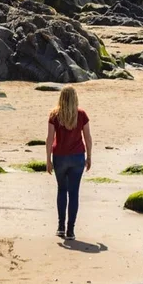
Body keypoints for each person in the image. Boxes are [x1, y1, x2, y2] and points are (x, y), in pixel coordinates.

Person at [46, 86, 92, 240]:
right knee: (73, 193)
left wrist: (48, 159)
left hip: (60, 157)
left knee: (61, 190)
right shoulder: (81, 114)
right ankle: (70, 230)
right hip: (77, 157)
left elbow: (49, 139)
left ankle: (61, 227)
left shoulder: (54, 115)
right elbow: (88, 137)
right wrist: (89, 157)